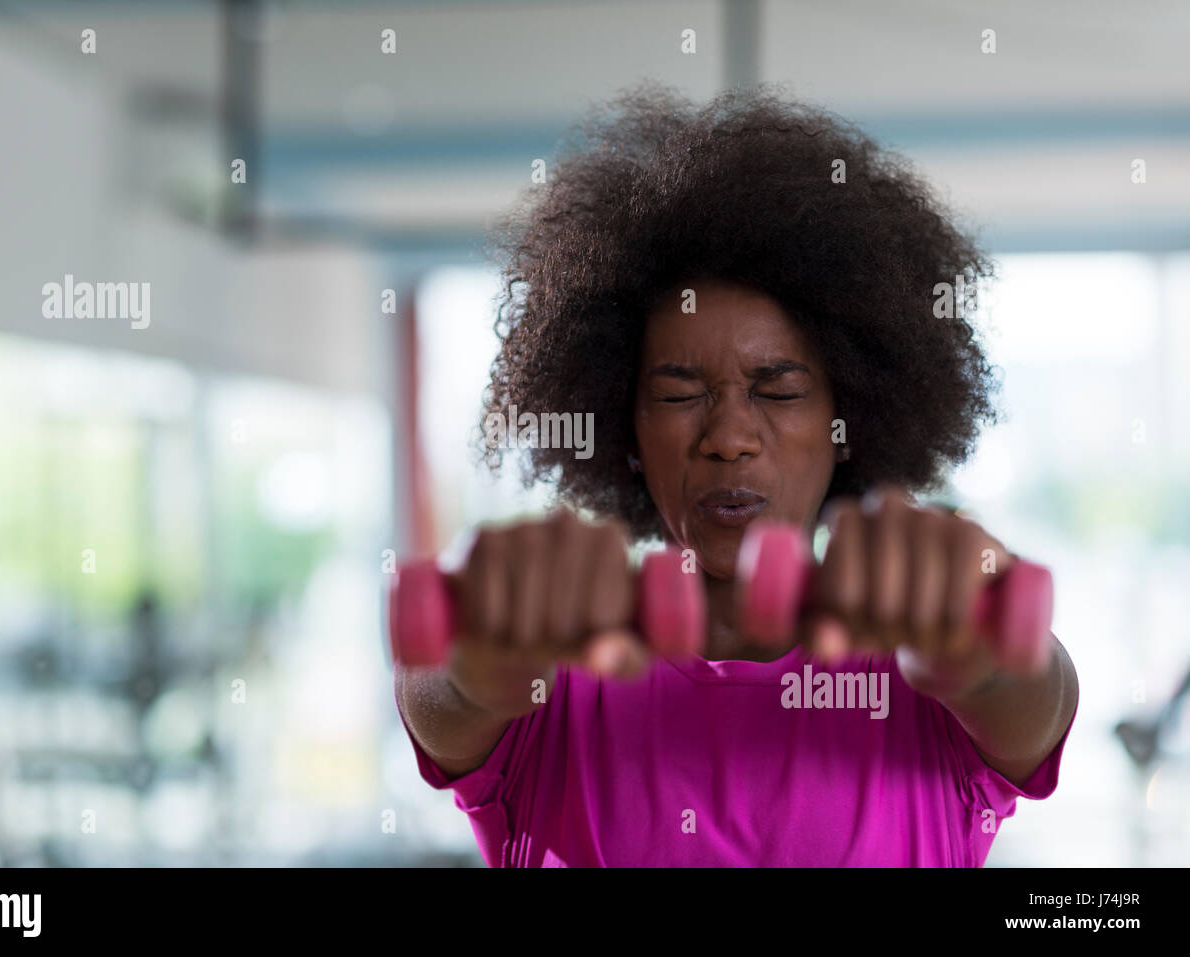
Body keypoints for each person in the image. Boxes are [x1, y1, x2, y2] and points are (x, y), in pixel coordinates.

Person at [395, 81, 1079, 867]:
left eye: (779, 391)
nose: (728, 438)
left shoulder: (928, 670)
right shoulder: (552, 675)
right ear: (625, 429)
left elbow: (1037, 698)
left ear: (847, 423)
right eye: (680, 394)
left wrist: (981, 649)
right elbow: (440, 697)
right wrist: (477, 650)